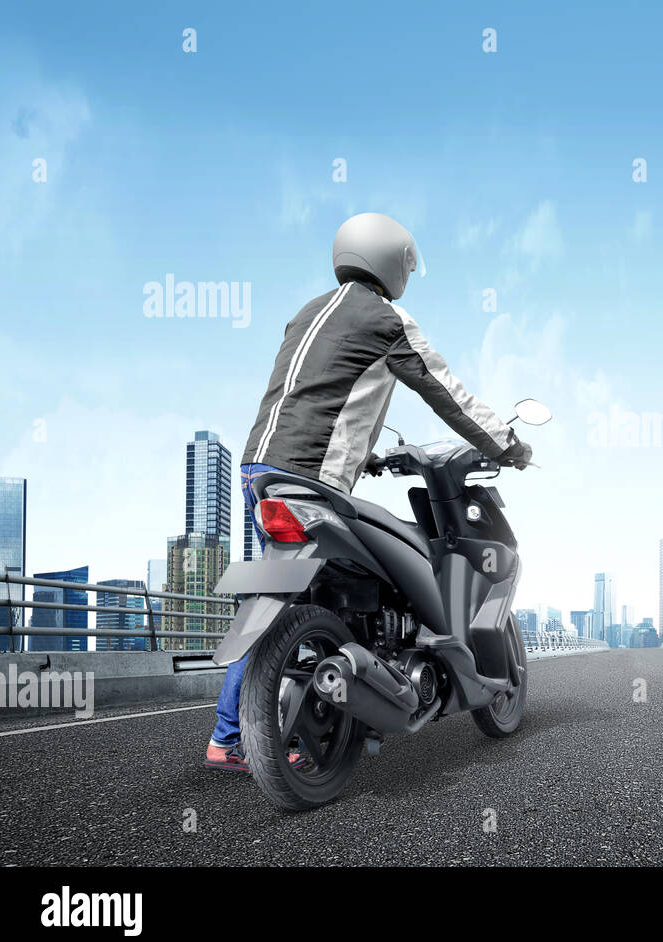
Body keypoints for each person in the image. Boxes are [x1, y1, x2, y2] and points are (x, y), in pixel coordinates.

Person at [204, 212, 533, 771]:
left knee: (280, 603)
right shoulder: (387, 321)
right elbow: (447, 394)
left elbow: (318, 396)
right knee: (396, 558)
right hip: (313, 478)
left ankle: (227, 737)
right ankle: (391, 677)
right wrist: (508, 446)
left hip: (260, 469)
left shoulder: (306, 314)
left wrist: (374, 458)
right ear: (391, 261)